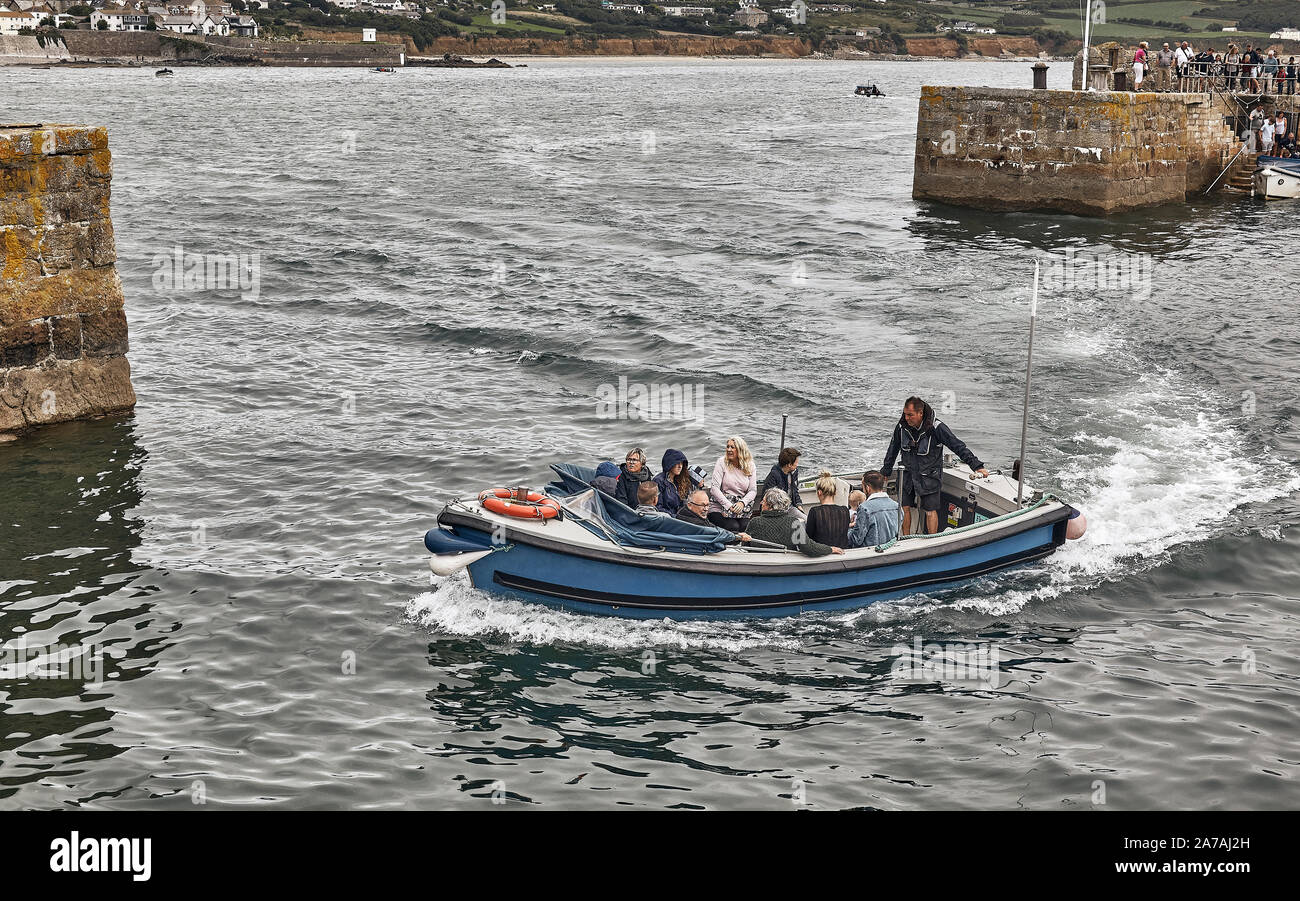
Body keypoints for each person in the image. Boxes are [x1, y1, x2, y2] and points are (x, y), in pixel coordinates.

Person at [881, 396, 989, 537]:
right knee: (903, 508)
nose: (906, 418)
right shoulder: (901, 427)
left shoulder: (937, 428)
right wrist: (886, 469)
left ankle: (932, 539)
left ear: (920, 413)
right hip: (907, 473)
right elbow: (893, 448)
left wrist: (977, 466)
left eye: (910, 415)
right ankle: (904, 538)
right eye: (905, 414)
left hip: (929, 477)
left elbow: (958, 446)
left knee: (930, 510)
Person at [745, 488, 843, 556]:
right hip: (786, 566)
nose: (761, 503)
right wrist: (830, 549)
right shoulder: (793, 523)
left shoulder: (754, 522)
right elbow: (808, 548)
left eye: (764, 501)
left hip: (760, 566)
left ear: (771, 506)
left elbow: (745, 547)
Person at [708, 435, 757, 532]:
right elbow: (714, 489)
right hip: (720, 508)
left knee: (746, 526)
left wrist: (742, 503)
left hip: (740, 509)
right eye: (727, 446)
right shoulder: (721, 462)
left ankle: (742, 547)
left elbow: (753, 490)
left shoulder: (750, 465)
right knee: (733, 526)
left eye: (732, 447)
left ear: (740, 450)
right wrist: (729, 505)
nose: (729, 450)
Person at [848, 471, 900, 549]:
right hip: (890, 550)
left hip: (870, 553)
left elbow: (856, 540)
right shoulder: (897, 506)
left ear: (868, 488)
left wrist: (848, 528)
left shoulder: (864, 508)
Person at [676, 489, 751, 542]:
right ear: (690, 505)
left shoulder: (685, 513)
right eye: (702, 505)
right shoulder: (693, 523)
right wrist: (737, 536)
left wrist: (736, 535)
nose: (706, 509)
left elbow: (713, 528)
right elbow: (714, 533)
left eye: (708, 505)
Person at [805, 470, 850, 548]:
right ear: (835, 492)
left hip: (822, 554)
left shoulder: (814, 511)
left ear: (819, 492)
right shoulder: (845, 510)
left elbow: (809, 538)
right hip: (842, 553)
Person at [760, 446, 804, 515]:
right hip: (776, 511)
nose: (797, 465)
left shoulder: (794, 472)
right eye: (796, 462)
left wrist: (799, 505)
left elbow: (795, 490)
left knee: (805, 520)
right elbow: (768, 499)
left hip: (790, 507)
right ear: (789, 464)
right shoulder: (774, 476)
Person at [653, 448, 692, 517]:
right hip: (668, 519)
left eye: (681, 463)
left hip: (680, 516)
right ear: (669, 463)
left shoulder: (680, 481)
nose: (680, 466)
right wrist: (675, 517)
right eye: (677, 463)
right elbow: (657, 507)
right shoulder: (658, 481)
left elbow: (684, 503)